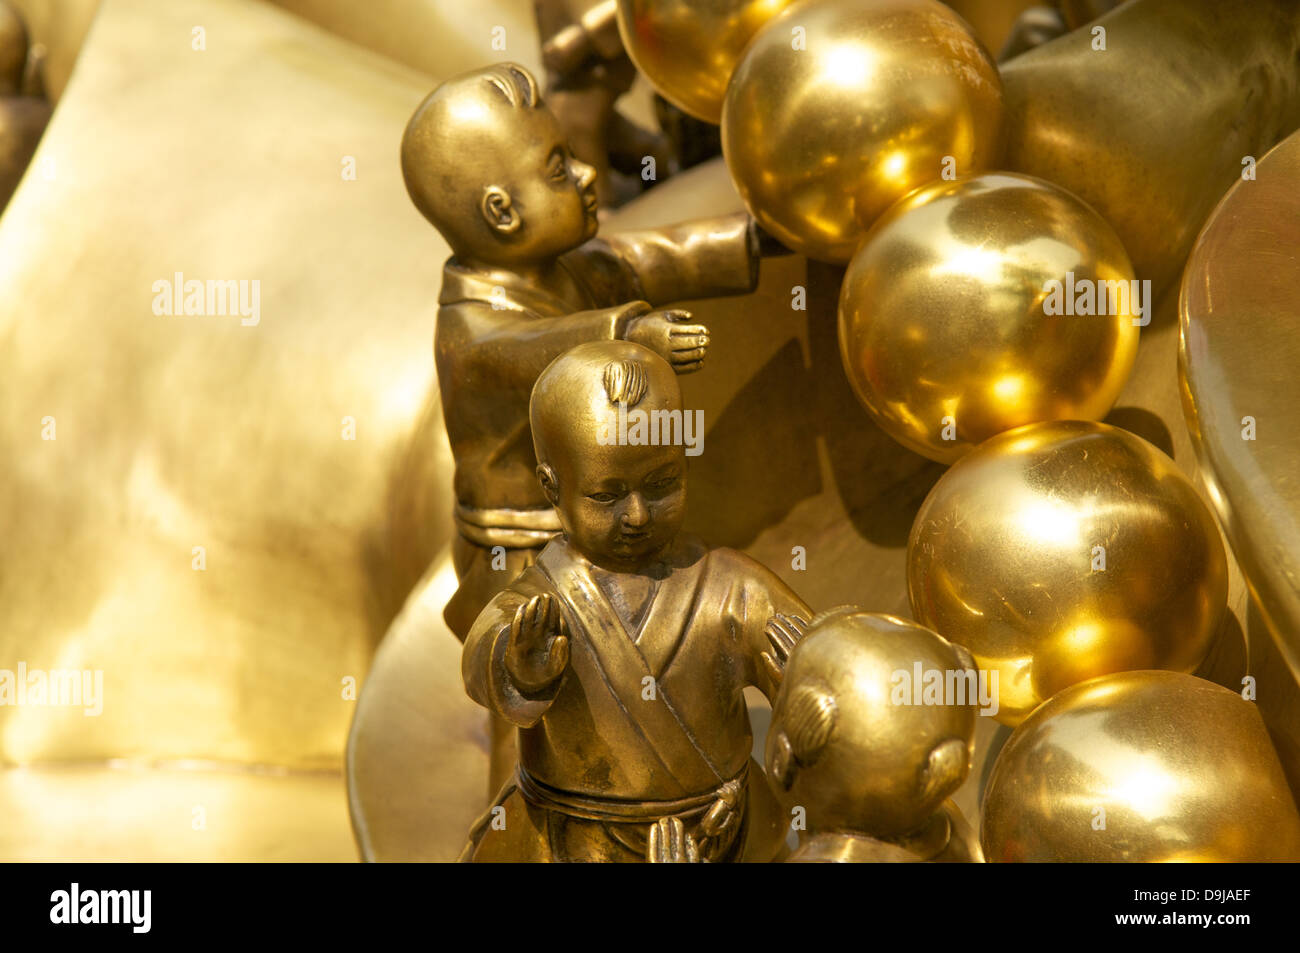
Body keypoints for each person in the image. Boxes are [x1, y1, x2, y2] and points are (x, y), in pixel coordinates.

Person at [400, 61, 774, 792]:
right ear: (504, 212)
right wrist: (630, 333)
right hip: (520, 544)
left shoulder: (567, 266)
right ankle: (514, 823)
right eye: (559, 167)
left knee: (617, 672)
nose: (588, 174)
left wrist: (761, 238)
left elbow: (650, 257)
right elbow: (521, 353)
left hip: (588, 527)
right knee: (530, 692)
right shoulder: (469, 327)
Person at [460, 340, 810, 862]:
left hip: (720, 835)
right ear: (553, 488)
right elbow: (483, 650)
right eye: (607, 494)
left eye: (662, 484)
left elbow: (824, 662)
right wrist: (519, 669)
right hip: (572, 840)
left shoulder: (729, 586)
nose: (639, 514)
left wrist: (811, 679)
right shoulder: (545, 600)